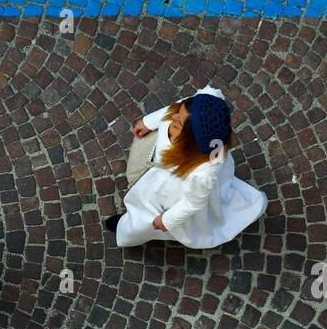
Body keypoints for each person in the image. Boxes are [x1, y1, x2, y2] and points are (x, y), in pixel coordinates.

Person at [105, 86, 267, 249]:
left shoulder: (204, 174)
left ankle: (126, 230)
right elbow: (174, 109)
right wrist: (150, 122)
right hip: (165, 170)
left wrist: (167, 220)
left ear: (190, 142)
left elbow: (192, 203)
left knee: (148, 215)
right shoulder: (200, 107)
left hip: (172, 189)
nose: (173, 117)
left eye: (178, 123)